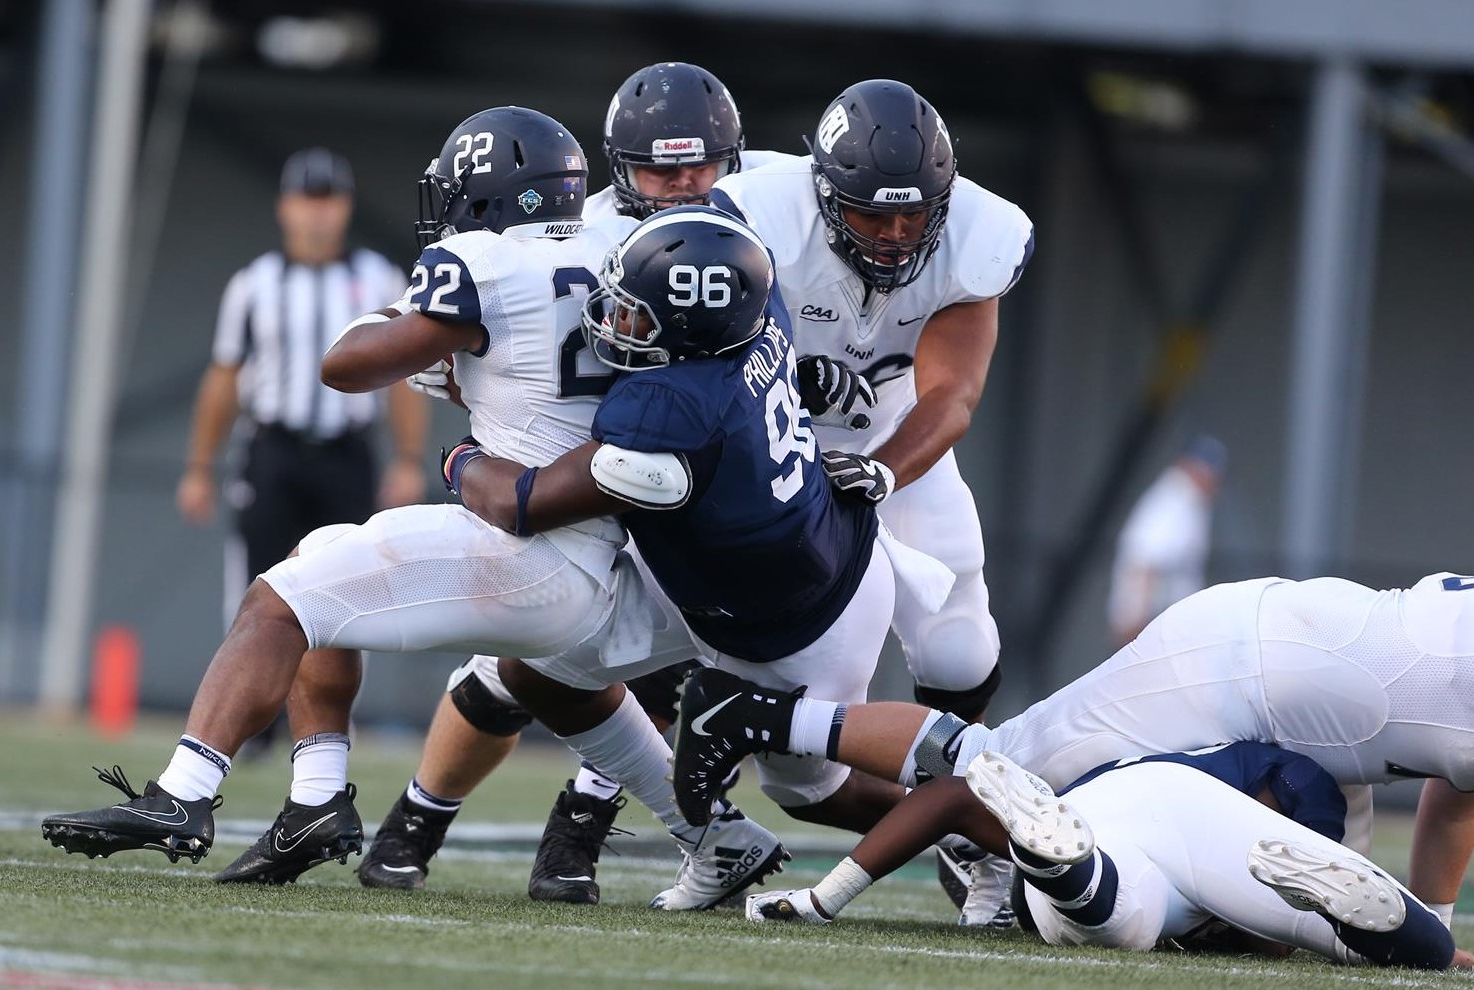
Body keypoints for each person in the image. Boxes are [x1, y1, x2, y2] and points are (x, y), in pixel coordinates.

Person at [41, 107, 786, 911]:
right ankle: (322, 802)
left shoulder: (482, 258)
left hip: (534, 551)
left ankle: (183, 793)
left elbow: (347, 367)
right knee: (354, 581)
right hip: (636, 557)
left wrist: (404, 326)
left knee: (274, 602)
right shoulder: (627, 251)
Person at [357, 60, 796, 904]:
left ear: (729, 159)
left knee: (684, 672)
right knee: (513, 673)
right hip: (603, 465)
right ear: (616, 167)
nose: (680, 186)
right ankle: (419, 821)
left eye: (698, 166)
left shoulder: (767, 214)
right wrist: (461, 377)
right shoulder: (578, 232)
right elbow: (493, 337)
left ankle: (578, 832)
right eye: (659, 170)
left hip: (718, 475)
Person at [443, 205, 948, 904]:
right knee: (537, 670)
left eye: (635, 316)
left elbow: (523, 502)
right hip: (782, 564)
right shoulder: (757, 306)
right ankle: (710, 837)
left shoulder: (666, 408)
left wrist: (460, 455)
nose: (611, 321)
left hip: (793, 626)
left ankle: (968, 835)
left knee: (814, 793)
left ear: (684, 332)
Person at [674, 570, 1474, 930]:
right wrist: (1435, 929)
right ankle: (751, 716)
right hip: (1238, 667)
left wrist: (1432, 926)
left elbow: (1453, 790)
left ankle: (994, 863)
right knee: (994, 761)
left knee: (1338, 912)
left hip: (1300, 686)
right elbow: (1455, 793)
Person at [708, 79, 1033, 725]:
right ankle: (612, 785)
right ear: (824, 193)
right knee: (702, 621)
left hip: (895, 434)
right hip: (762, 438)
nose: (894, 233)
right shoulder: (755, 218)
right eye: (870, 214)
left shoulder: (978, 234)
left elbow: (951, 392)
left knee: (958, 653)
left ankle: (951, 803)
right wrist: (785, 375)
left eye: (913, 214)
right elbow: (706, 357)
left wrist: (880, 470)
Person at [743, 743, 1460, 972]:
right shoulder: (1269, 773)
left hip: (1130, 815)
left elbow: (955, 796)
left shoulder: (1086, 800)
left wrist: (821, 900)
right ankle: (1417, 933)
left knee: (1122, 916)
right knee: (1360, 943)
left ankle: (1070, 870)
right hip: (1206, 816)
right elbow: (958, 798)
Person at [175, 148, 423, 762]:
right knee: (259, 582)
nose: (317, 215)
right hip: (274, 449)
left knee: (347, 585)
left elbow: (404, 376)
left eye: (328, 200)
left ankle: (325, 725)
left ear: (345, 208)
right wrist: (199, 467)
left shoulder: (379, 278)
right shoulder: (255, 284)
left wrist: (408, 458)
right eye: (306, 200)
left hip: (347, 452)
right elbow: (224, 377)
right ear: (286, 206)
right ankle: (249, 727)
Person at [1107, 435, 1226, 647]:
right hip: (1154, 629)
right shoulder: (1177, 498)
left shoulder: (1185, 499)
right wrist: (1137, 627)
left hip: (1162, 630)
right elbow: (1147, 561)